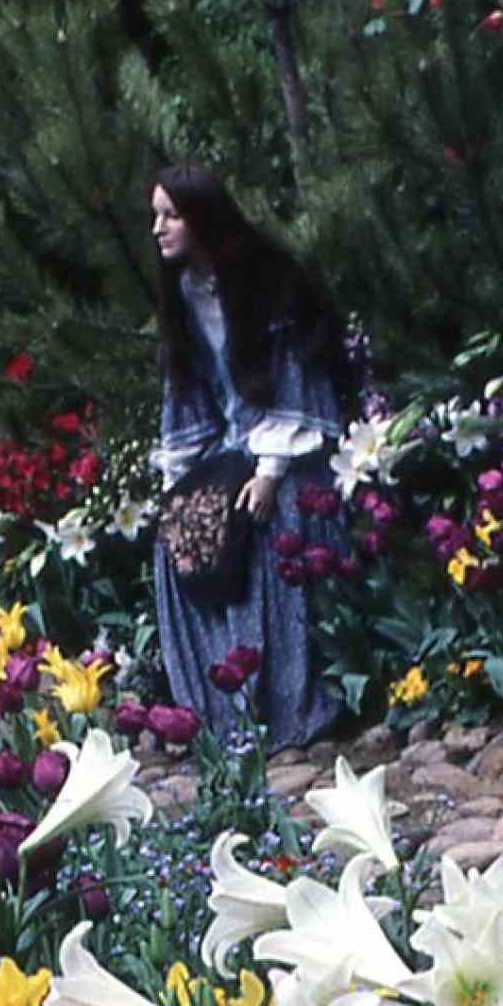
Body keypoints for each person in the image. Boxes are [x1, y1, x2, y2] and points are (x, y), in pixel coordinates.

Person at [149, 166, 351, 754]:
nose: (158, 228)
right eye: (156, 215)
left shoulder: (266, 281)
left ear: (203, 218)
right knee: (181, 532)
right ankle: (218, 711)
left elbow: (295, 383)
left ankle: (284, 700)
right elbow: (187, 395)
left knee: (269, 519)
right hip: (229, 443)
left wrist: (269, 471)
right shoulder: (185, 290)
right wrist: (180, 483)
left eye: (171, 215)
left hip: (289, 445)